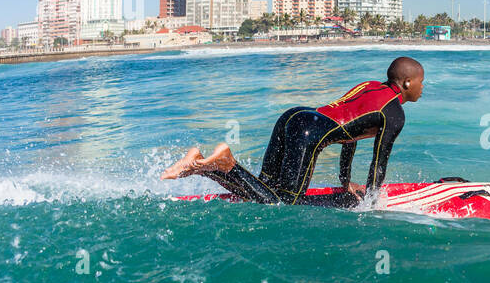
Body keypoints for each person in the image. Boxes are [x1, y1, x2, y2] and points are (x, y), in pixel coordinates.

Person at [161, 56, 425, 206]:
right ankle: (227, 164)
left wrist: (345, 182)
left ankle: (202, 164)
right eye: (421, 83)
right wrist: (372, 203)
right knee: (284, 204)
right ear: (407, 82)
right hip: (309, 131)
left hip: (294, 116)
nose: (422, 88)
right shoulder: (394, 114)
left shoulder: (369, 86)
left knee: (263, 191)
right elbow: (379, 162)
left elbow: (350, 136)